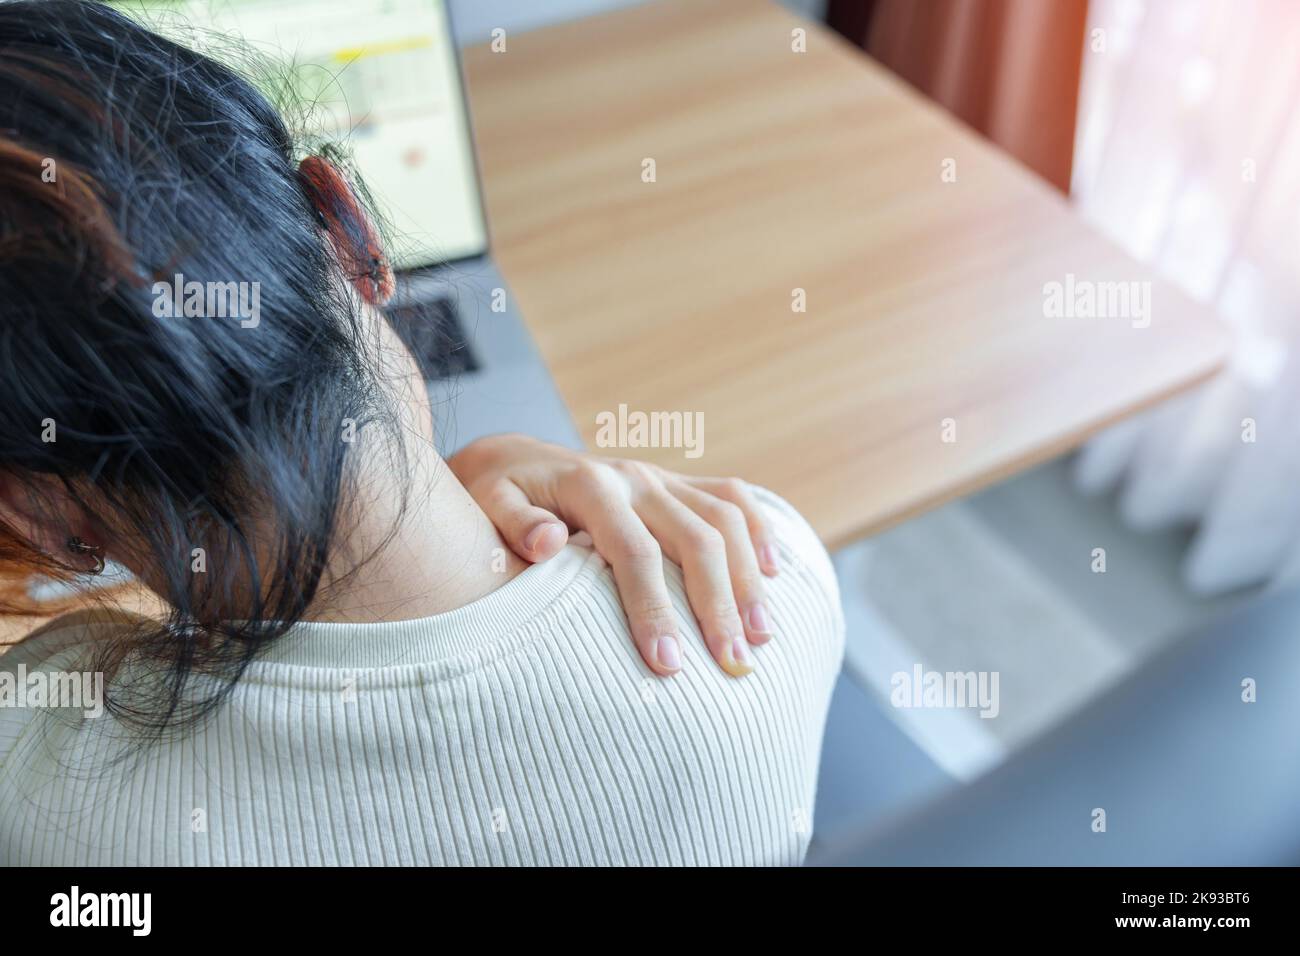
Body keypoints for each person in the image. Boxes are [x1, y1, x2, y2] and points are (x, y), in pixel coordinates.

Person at [0, 0, 843, 865]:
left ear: (32, 509)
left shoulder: (35, 773)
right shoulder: (762, 577)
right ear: (348, 230)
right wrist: (467, 481)